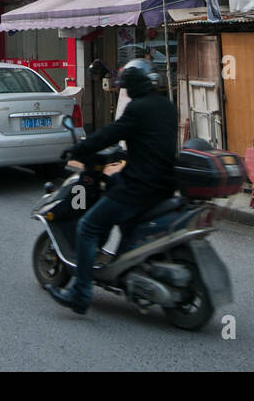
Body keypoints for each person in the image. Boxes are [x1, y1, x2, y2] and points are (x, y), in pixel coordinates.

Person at [45, 58, 178, 315]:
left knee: (87, 227)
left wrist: (78, 148)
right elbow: (150, 141)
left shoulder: (137, 109)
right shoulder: (166, 106)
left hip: (139, 187)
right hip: (165, 185)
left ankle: (80, 293)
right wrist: (123, 153)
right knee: (112, 186)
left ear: (134, 86)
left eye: (126, 87)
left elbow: (109, 134)